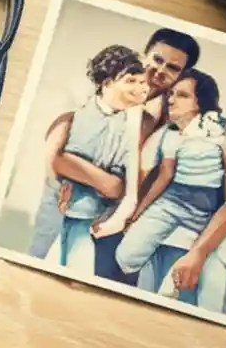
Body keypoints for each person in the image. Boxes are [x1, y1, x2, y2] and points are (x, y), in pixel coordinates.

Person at [40, 28, 202, 283]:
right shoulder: (110, 91)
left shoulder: (169, 118)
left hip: (123, 226)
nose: (160, 71)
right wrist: (82, 179)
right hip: (77, 208)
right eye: (157, 60)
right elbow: (59, 147)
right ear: (145, 55)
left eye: (172, 68)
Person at [113, 69, 226, 302]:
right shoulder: (170, 136)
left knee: (180, 278)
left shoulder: (219, 136)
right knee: (126, 255)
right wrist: (137, 214)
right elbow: (164, 176)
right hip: (171, 202)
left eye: (181, 95)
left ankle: (166, 288)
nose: (171, 99)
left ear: (199, 102)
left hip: (202, 212)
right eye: (171, 94)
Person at [28, 45, 148, 264]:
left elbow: (117, 187)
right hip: (55, 211)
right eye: (130, 81)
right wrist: (99, 180)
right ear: (107, 82)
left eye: (142, 82)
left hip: (89, 219)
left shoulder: (129, 129)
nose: (140, 88)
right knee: (37, 258)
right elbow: (57, 161)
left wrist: (92, 177)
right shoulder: (75, 114)